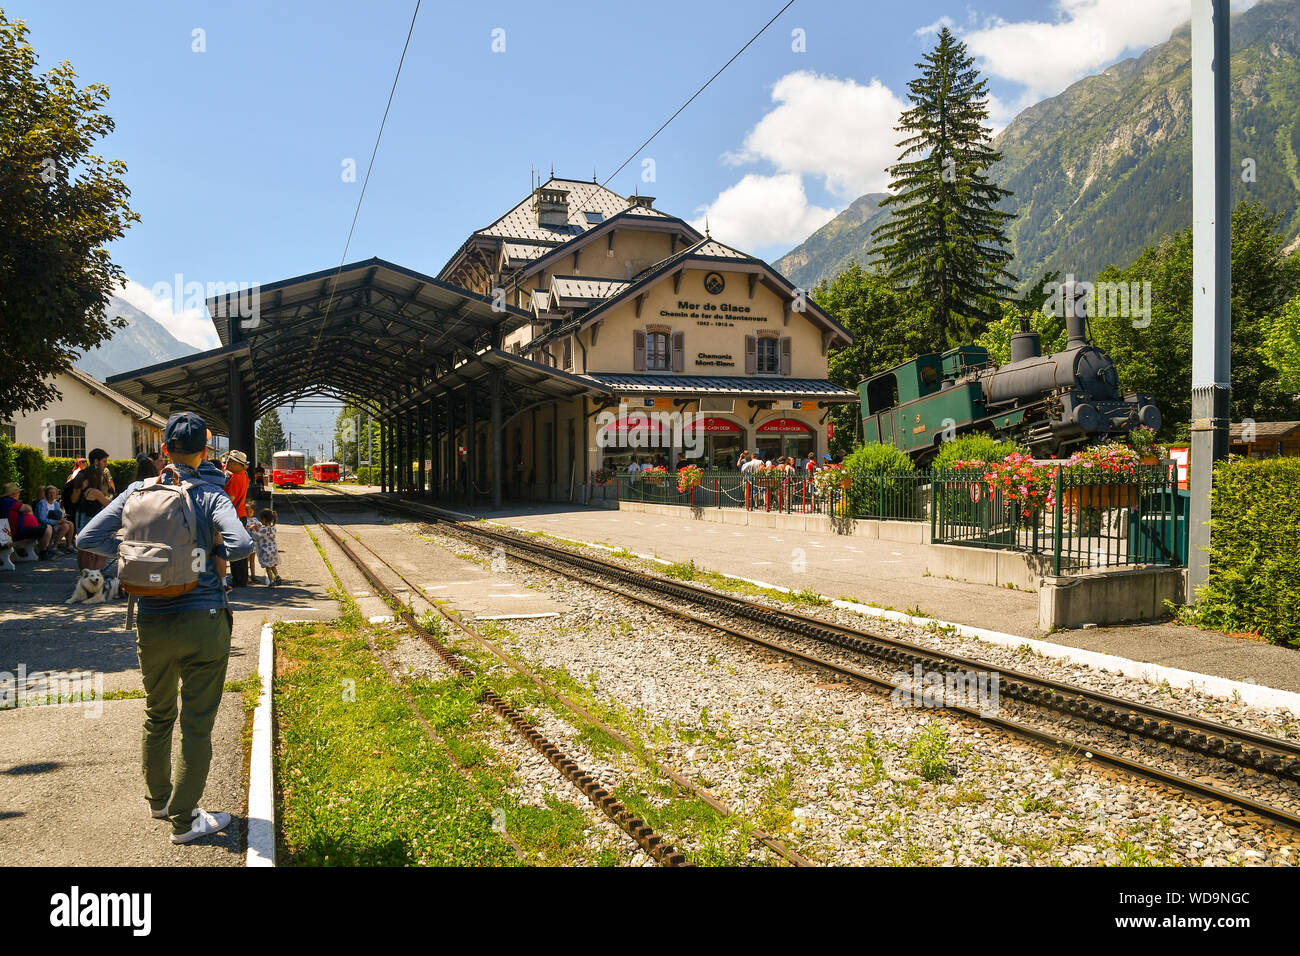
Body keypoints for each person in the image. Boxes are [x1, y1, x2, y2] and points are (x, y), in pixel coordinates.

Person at [77, 410, 254, 845]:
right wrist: (208, 551)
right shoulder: (212, 494)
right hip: (203, 619)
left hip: (151, 621)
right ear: (206, 451)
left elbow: (86, 540)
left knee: (157, 714)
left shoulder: (139, 490)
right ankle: (185, 820)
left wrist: (135, 554)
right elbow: (242, 544)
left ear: (164, 450)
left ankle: (159, 800)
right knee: (196, 723)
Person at [223, 451, 251, 587]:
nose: (226, 463)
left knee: (234, 551)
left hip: (234, 516)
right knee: (240, 551)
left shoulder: (234, 479)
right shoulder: (244, 475)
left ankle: (238, 580)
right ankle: (242, 579)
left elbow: (229, 500)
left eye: (228, 461)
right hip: (242, 515)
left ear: (235, 464)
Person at [34, 485, 76, 552]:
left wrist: (62, 520)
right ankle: (54, 547)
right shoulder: (42, 503)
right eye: (50, 493)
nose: (52, 495)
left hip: (53, 523)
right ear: (46, 494)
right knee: (65, 526)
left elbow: (58, 515)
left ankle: (68, 545)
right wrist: (57, 522)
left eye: (54, 493)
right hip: (43, 525)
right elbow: (42, 519)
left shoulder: (55, 503)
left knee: (70, 523)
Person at [251, 509, 281, 586]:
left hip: (266, 551)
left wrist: (253, 530)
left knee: (268, 567)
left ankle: (271, 581)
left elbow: (256, 537)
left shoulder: (262, 529)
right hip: (273, 550)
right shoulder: (273, 528)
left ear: (264, 519)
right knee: (273, 565)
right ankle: (277, 576)